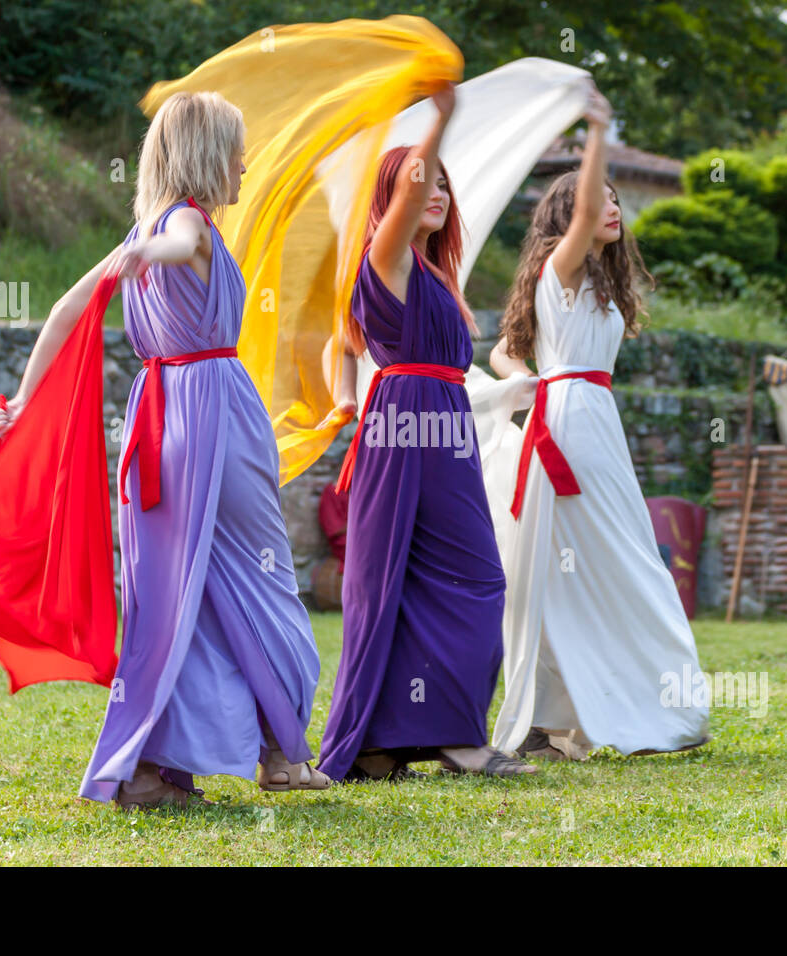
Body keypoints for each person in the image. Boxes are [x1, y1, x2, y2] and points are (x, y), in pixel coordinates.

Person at [0, 91, 329, 808]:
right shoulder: (185, 224)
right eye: (235, 148)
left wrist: (22, 401)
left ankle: (161, 765)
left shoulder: (150, 227)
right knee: (261, 582)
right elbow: (178, 247)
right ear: (207, 155)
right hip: (207, 417)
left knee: (179, 595)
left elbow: (66, 306)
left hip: (164, 424)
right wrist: (150, 249)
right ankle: (270, 751)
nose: (244, 162)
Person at [316, 83, 535, 781]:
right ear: (395, 195)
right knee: (472, 578)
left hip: (438, 423)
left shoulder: (435, 272)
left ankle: (385, 743)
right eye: (423, 181)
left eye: (445, 183)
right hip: (409, 426)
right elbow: (406, 196)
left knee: (420, 581)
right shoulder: (390, 257)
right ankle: (456, 739)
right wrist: (440, 120)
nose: (435, 190)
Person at [485, 84, 709, 762]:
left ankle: (568, 717)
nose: (609, 206)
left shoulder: (601, 287)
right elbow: (507, 352)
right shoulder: (559, 268)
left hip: (594, 421)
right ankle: (557, 720)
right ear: (568, 218)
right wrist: (598, 130)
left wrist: (519, 377)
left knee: (604, 565)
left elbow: (507, 349)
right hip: (569, 429)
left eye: (616, 199)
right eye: (600, 198)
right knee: (602, 566)